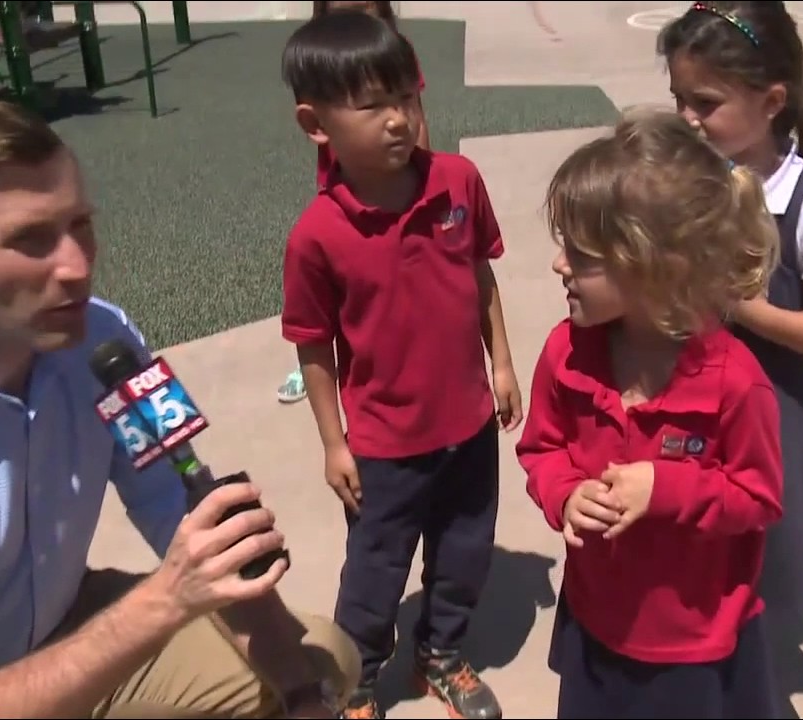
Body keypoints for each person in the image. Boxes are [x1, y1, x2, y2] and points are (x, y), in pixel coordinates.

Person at [0, 97, 360, 719]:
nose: (77, 267)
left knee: (323, 662)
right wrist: (165, 600)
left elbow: (181, 501)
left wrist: (299, 694)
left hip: (61, 618)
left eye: (80, 224)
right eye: (29, 240)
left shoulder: (106, 341)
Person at [278, 11, 520, 720]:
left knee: (466, 553)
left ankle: (441, 655)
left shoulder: (458, 182)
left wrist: (501, 364)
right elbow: (314, 346)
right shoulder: (316, 237)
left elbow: (480, 276)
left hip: (469, 425)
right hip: (384, 448)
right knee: (374, 574)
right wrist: (333, 442)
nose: (398, 120)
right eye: (373, 104)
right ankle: (356, 677)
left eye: (407, 97)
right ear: (315, 123)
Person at [516, 107, 784, 719]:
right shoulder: (567, 352)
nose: (561, 265)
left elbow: (760, 497)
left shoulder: (735, 384)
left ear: (655, 266)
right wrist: (563, 493)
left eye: (582, 255)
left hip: (694, 647)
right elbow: (541, 448)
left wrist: (667, 488)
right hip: (595, 619)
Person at [656, 0, 803, 706]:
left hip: (766, 426)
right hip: (684, 413)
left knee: (756, 580)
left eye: (707, 103)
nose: (688, 118)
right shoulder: (688, 183)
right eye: (679, 100)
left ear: (772, 101)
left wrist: (741, 307)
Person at [277, 0, 432, 405]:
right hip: (348, 194)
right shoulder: (313, 236)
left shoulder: (398, 51)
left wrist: (424, 175)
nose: (396, 117)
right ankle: (326, 367)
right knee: (353, 284)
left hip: (403, 189)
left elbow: (417, 112)